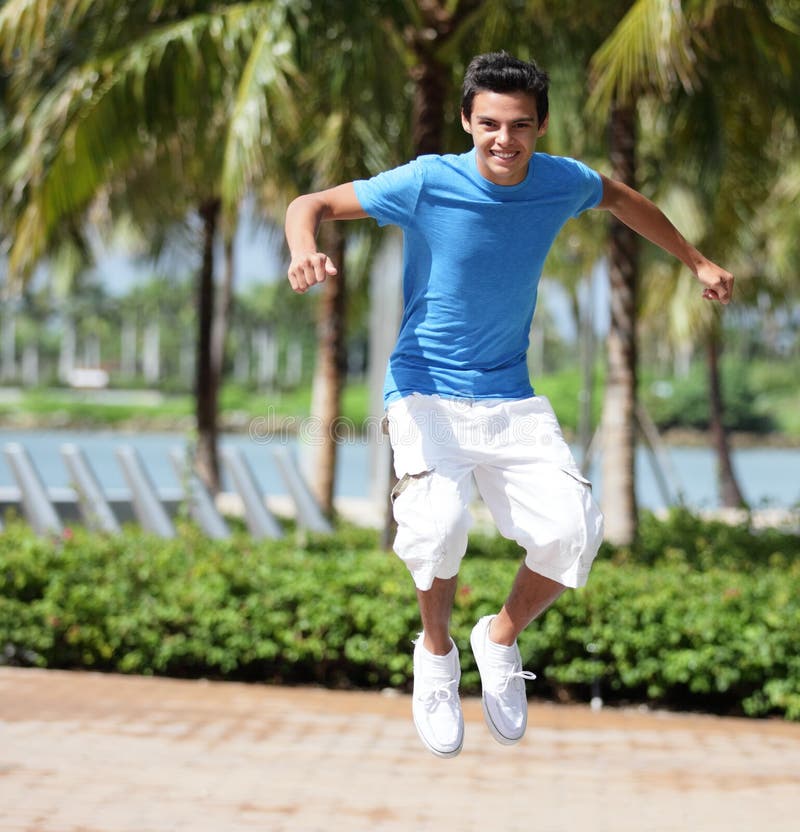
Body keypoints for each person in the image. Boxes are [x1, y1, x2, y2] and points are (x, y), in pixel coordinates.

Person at [284, 52, 733, 758]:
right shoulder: (429, 180)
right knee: (436, 524)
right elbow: (307, 203)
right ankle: (435, 658)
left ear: (540, 126)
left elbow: (622, 198)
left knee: (572, 530)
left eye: (520, 126)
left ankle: (497, 639)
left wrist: (696, 260)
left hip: (510, 398)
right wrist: (303, 247)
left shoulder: (559, 181)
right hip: (425, 389)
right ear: (467, 121)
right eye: (489, 123)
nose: (504, 139)